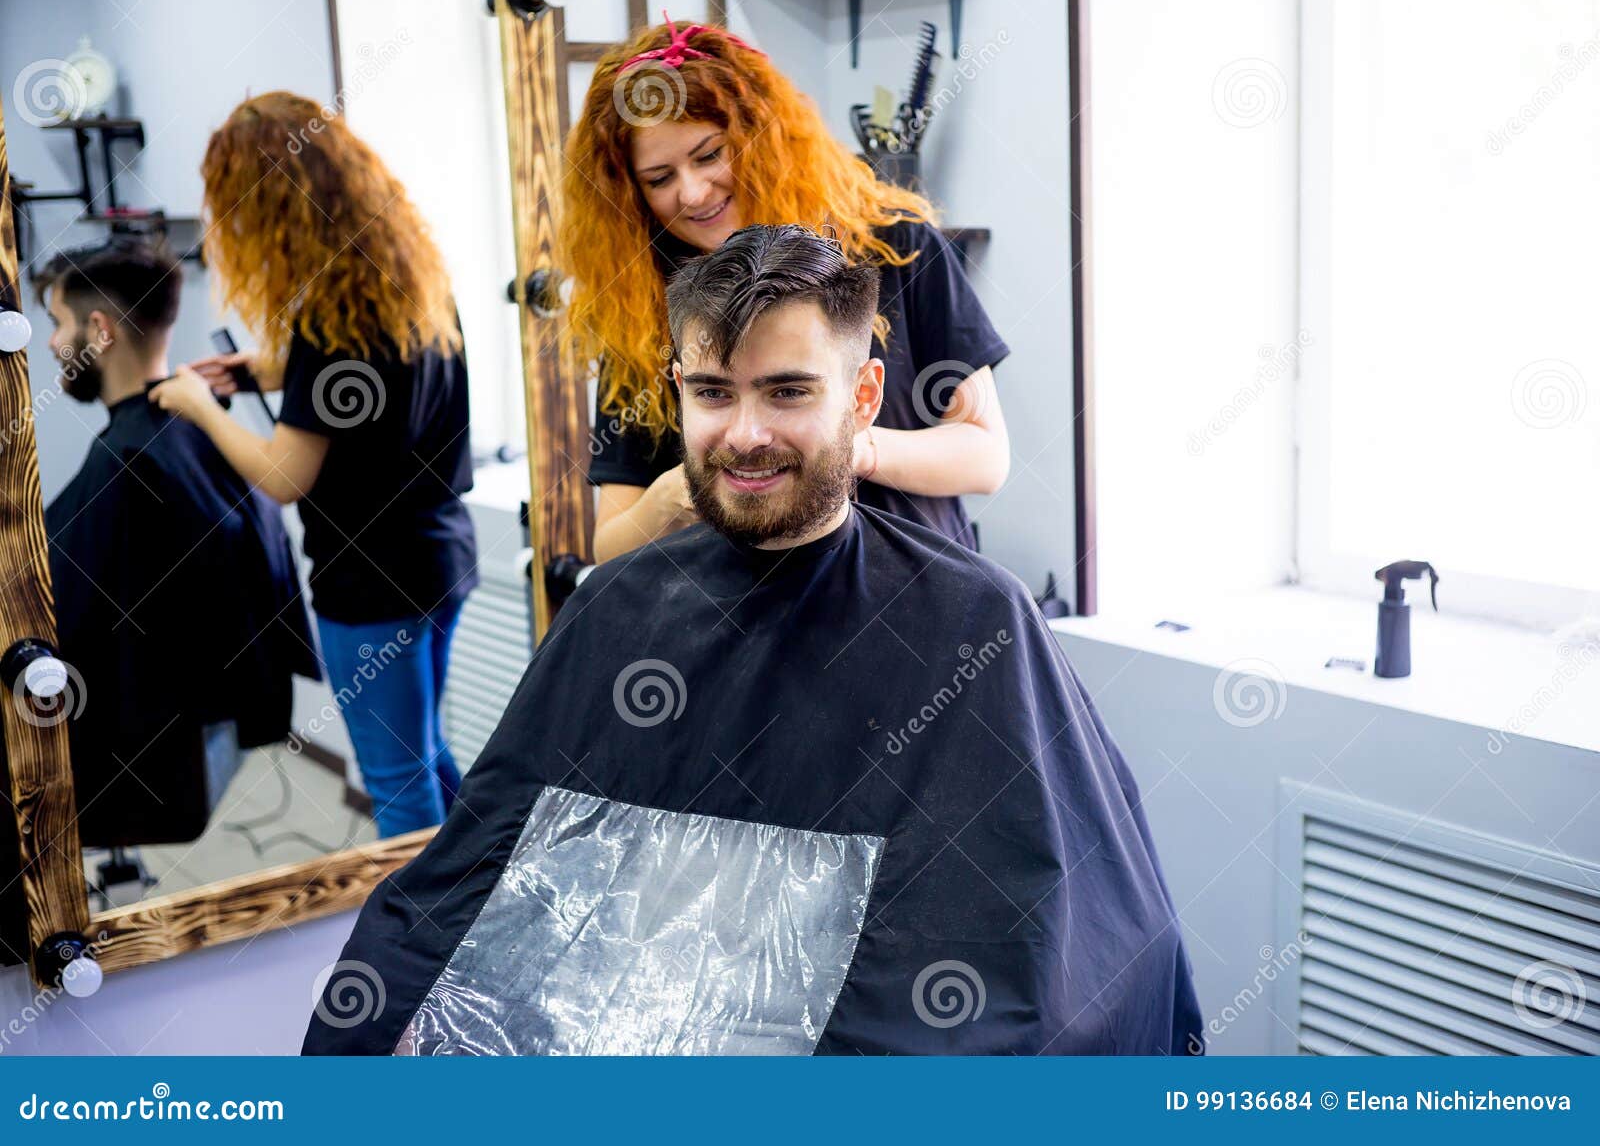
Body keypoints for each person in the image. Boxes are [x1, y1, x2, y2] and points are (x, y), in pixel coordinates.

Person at [305, 226, 1201, 1056]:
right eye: (712, 392)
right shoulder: (616, 608)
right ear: (679, 393)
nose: (744, 434)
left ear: (864, 395)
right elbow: (475, 877)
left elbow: (1099, 950)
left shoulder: (976, 624)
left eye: (786, 391)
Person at [148, 92, 479, 839]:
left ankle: (425, 949)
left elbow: (284, 475)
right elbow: (376, 388)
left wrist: (201, 404)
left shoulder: (332, 323)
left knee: (397, 781)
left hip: (372, 585)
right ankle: (479, 896)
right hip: (442, 555)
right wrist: (270, 372)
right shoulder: (412, 282)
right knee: (424, 754)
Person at [565, 15, 1012, 562]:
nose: (692, 191)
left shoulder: (898, 246)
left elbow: (985, 456)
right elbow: (609, 547)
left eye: (710, 155)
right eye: (659, 178)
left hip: (915, 591)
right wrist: (690, 485)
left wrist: (844, 448)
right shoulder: (640, 308)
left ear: (761, 137)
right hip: (739, 624)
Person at [39, 239, 318, 845]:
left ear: (99, 329)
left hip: (153, 734)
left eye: (58, 322)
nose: (53, 343)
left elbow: (58, 607)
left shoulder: (127, 457)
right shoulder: (201, 428)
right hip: (209, 716)